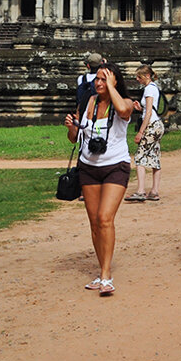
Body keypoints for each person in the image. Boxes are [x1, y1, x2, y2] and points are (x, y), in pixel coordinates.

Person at [64, 62, 133, 296]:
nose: (99, 83)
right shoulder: (87, 102)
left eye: (104, 79)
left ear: (114, 82)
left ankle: (106, 274)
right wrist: (71, 127)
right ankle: (101, 270)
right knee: (94, 221)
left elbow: (123, 112)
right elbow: (74, 138)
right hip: (89, 167)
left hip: (116, 166)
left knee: (105, 218)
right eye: (97, 79)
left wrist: (113, 87)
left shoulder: (124, 102)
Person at [126, 64, 165, 202]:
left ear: (147, 76)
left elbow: (148, 112)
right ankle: (154, 191)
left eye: (139, 76)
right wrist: (139, 108)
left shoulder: (149, 89)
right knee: (154, 156)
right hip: (157, 124)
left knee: (139, 157)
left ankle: (141, 191)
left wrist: (141, 132)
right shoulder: (153, 88)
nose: (137, 79)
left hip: (151, 125)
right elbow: (148, 110)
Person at [76, 51, 103, 119]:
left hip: (82, 108)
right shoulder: (102, 80)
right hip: (97, 108)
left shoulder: (81, 78)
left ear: (88, 65)